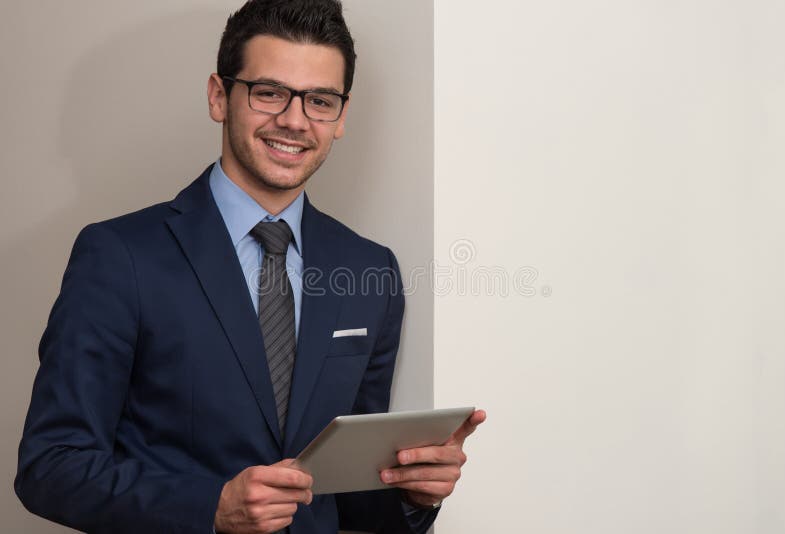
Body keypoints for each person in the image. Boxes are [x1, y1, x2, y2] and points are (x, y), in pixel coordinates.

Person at [14, 1, 485, 533]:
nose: (294, 120)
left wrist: (412, 492)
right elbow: (50, 467)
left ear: (342, 117)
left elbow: (346, 497)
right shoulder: (119, 255)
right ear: (220, 96)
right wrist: (210, 508)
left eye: (320, 100)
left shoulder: (369, 269)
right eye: (269, 92)